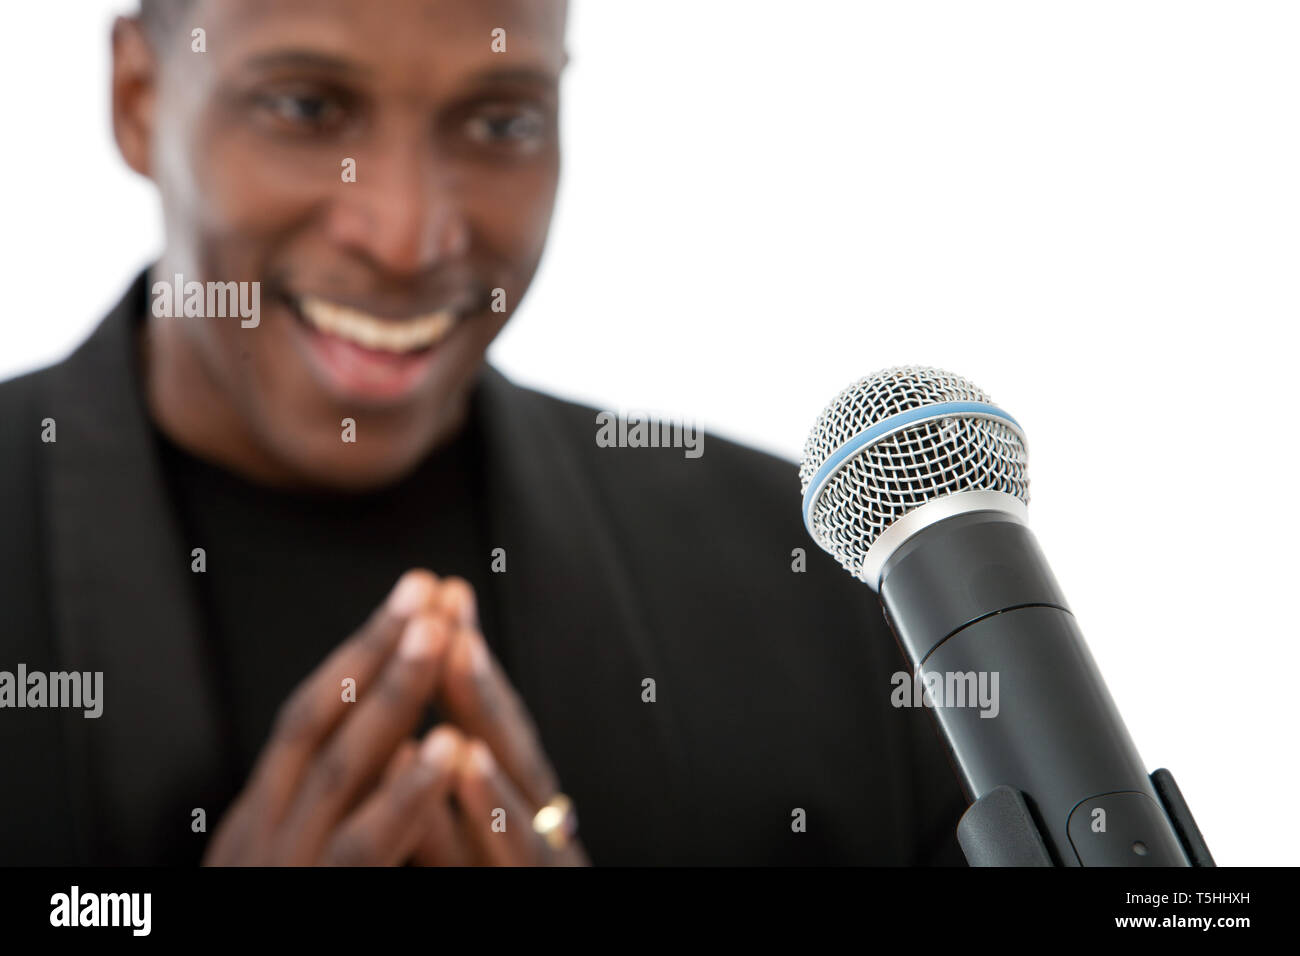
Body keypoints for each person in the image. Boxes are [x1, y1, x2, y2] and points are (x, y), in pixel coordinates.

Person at [0, 0, 968, 865]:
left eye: (500, 121)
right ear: (137, 97)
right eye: (305, 108)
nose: (408, 235)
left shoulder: (813, 579)